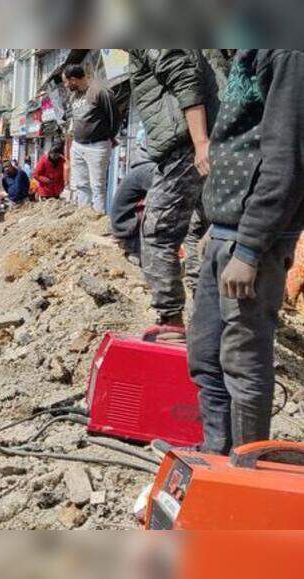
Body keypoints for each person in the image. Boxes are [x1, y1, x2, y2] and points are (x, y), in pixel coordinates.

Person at [187, 49, 304, 455]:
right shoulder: (248, 54)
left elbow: (285, 163)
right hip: (225, 232)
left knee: (243, 363)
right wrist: (213, 226)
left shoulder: (289, 53)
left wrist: (250, 249)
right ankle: (215, 454)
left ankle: (245, 472)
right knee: (205, 357)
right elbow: (235, 146)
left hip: (251, 239)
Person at [128, 49, 220, 328]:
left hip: (185, 145)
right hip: (197, 141)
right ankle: (207, 318)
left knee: (158, 233)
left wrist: (200, 142)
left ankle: (171, 323)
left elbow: (183, 74)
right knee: (197, 231)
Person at [63, 64, 118, 214]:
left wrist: (109, 137)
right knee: (81, 184)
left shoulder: (100, 92)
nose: (66, 85)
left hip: (97, 146)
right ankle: (84, 217)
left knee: (97, 185)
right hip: (78, 145)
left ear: (73, 80)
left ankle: (98, 219)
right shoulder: (74, 96)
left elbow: (114, 118)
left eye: (66, 82)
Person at [109, 147, 157, 265]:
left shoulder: (140, 168)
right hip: (127, 229)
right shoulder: (147, 171)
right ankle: (138, 252)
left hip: (124, 226)